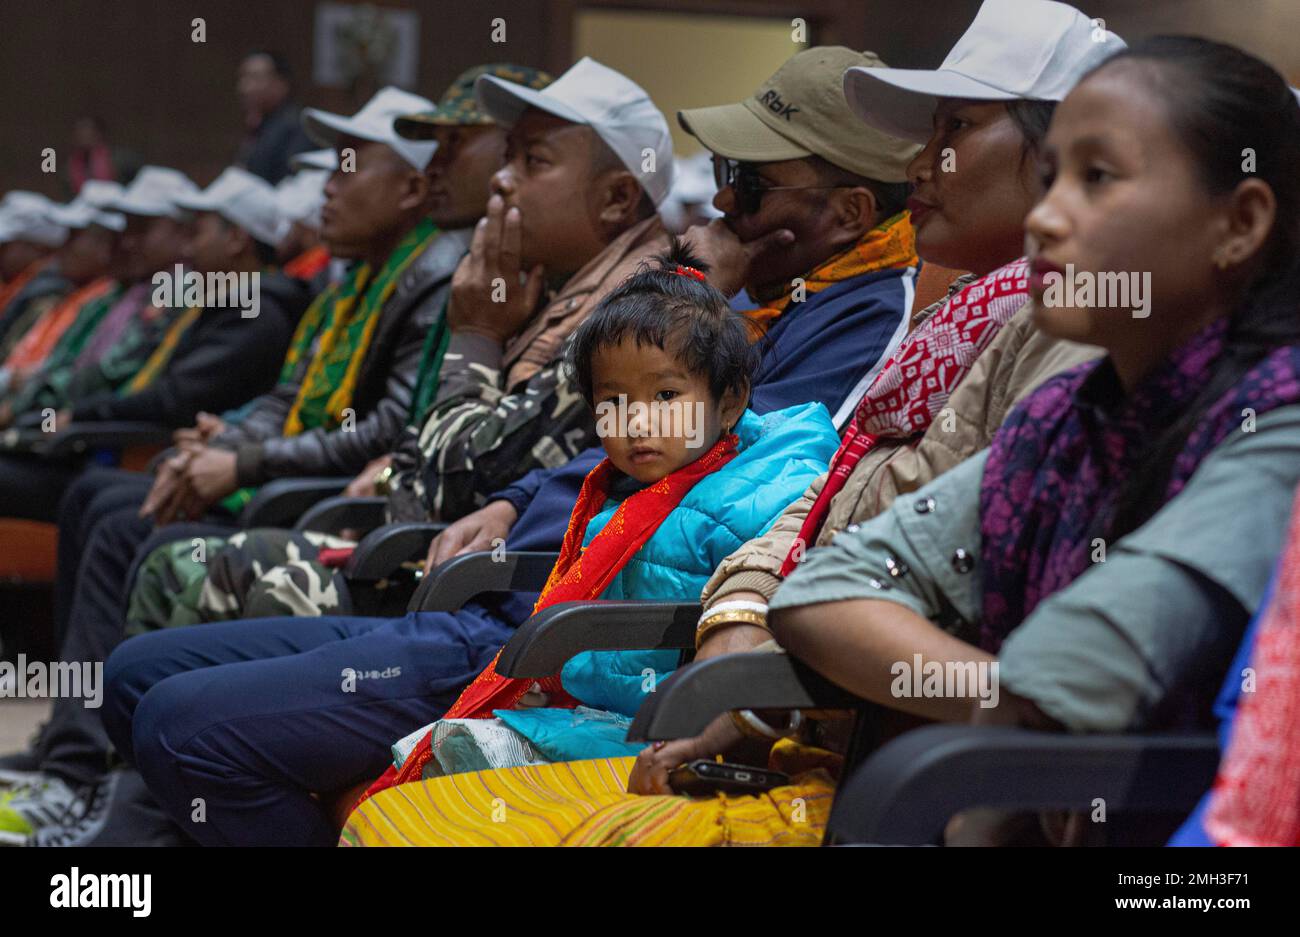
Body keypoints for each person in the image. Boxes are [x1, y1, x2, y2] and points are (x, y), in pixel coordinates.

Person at [365, 31, 1300, 849]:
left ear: (1243, 223)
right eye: (1053, 177)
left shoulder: (1265, 420)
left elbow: (1077, 673)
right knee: (391, 816)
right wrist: (950, 693)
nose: (1048, 216)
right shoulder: (1065, 400)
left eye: (1096, 179)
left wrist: (873, 690)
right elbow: (825, 585)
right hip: (882, 748)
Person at [203, 47, 925, 623]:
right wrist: (518, 496)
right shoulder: (554, 283)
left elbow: (700, 470)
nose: (725, 198)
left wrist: (480, 339)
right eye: (728, 173)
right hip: (525, 581)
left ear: (852, 213)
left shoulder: (846, 312)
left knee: (189, 681)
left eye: (753, 184)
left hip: (576, 610)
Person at [234, 51, 314, 185]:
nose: (244, 87)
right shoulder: (260, 124)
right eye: (242, 78)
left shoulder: (297, 127)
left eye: (255, 78)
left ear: (281, 83)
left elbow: (289, 185)